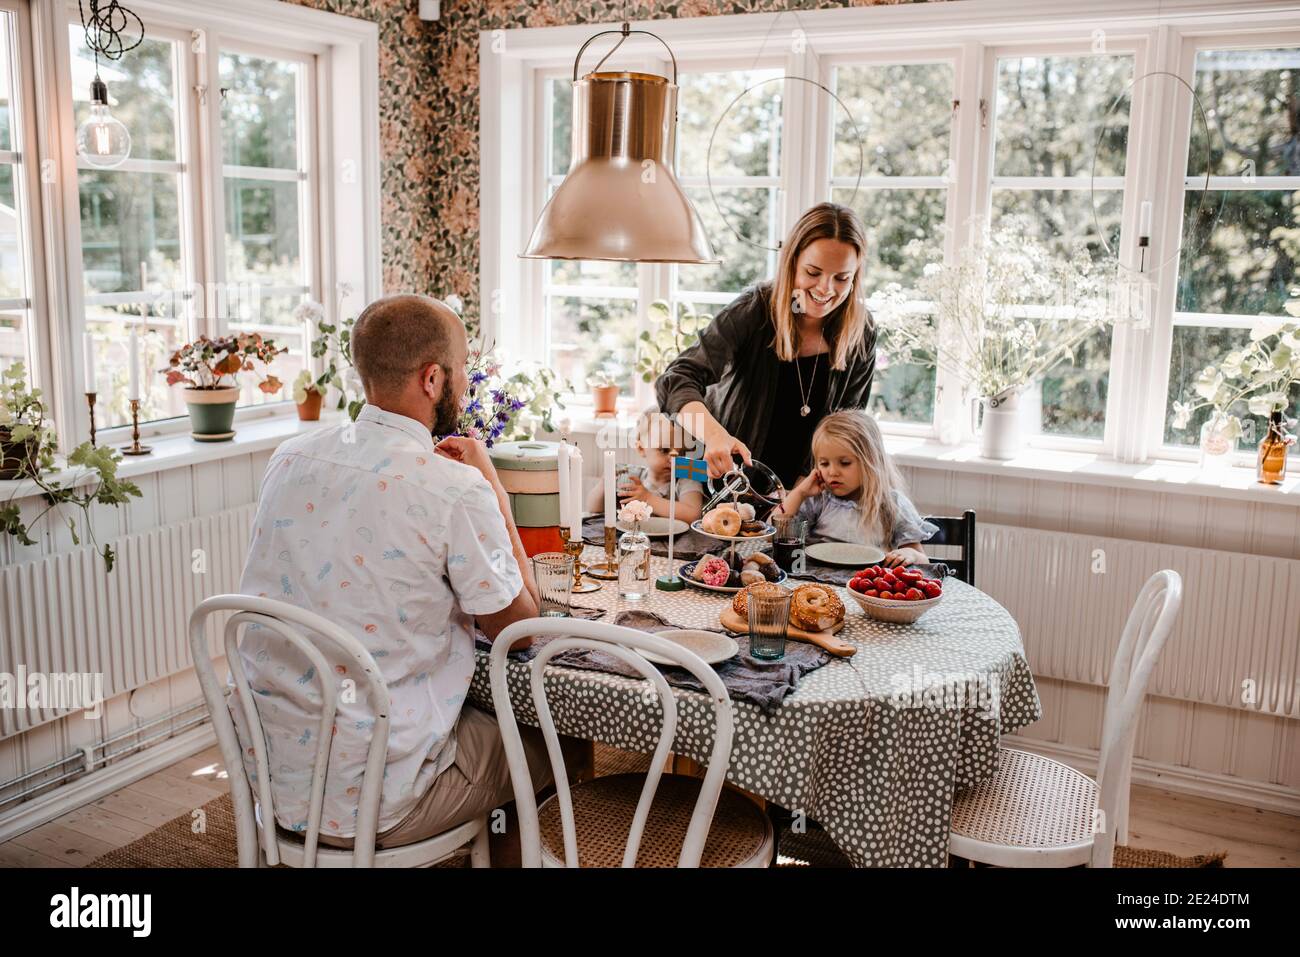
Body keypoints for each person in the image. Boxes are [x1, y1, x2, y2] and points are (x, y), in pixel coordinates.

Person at [234, 293, 568, 855]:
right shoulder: (455, 490)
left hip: (279, 779)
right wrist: (493, 489)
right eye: (461, 369)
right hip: (382, 799)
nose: (464, 382)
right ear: (433, 378)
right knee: (552, 746)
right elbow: (523, 631)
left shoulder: (288, 460)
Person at [655, 202, 877, 489]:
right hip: (727, 489)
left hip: (805, 498)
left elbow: (847, 430)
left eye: (842, 278)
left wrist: (797, 497)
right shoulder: (754, 311)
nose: (825, 288)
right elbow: (677, 379)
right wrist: (714, 436)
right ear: (792, 262)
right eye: (813, 272)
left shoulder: (862, 331)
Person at [773, 410, 937, 566]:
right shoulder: (818, 500)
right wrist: (800, 492)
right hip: (818, 584)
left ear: (870, 461)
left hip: (867, 589)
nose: (832, 472)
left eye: (844, 463)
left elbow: (923, 561)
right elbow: (773, 532)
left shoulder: (893, 504)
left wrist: (911, 554)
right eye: (824, 463)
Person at [584, 408, 705, 522]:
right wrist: (604, 484)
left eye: (681, 452)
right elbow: (594, 508)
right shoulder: (633, 477)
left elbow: (693, 515)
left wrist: (648, 498)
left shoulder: (688, 477)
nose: (673, 458)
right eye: (664, 450)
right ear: (641, 449)